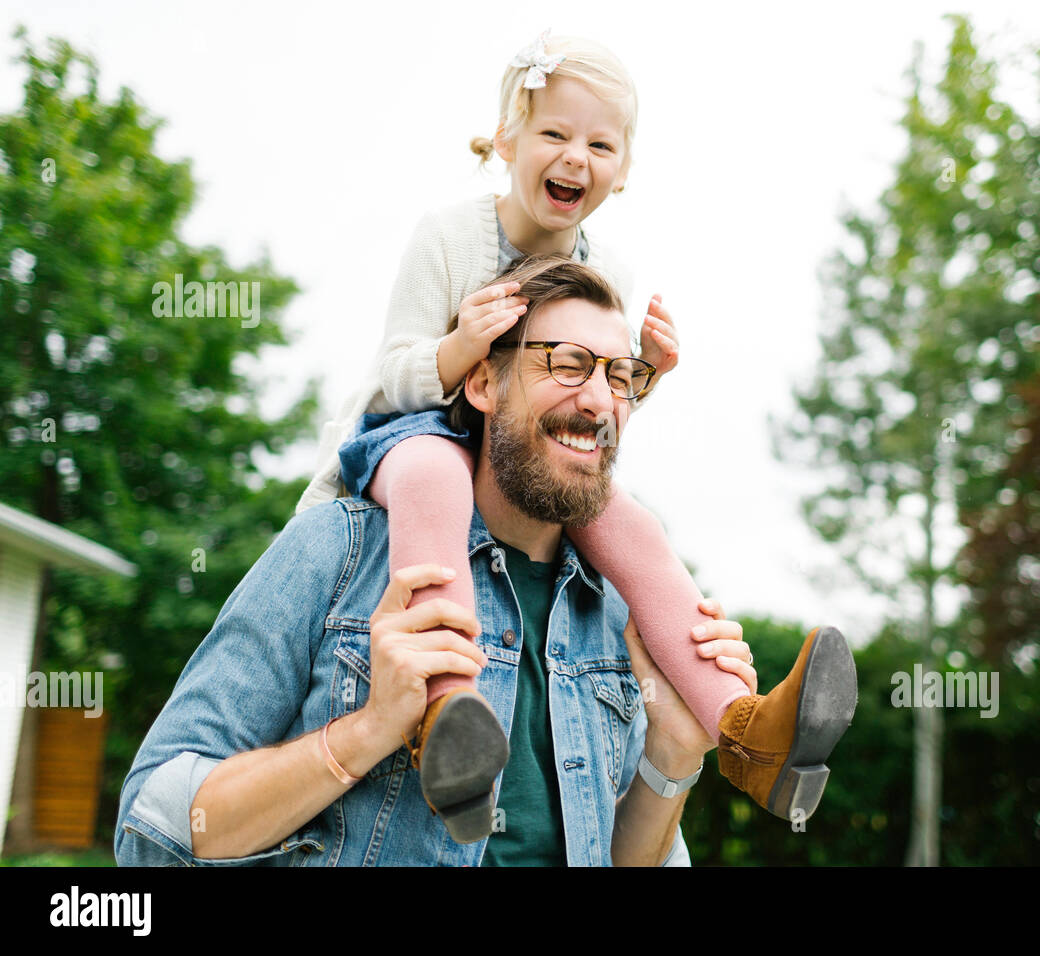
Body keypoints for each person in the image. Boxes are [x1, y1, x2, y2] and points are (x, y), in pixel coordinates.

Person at [294, 30, 858, 842]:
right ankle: (449, 710)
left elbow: (578, 416)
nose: (575, 156)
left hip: (518, 460)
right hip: (413, 433)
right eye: (555, 134)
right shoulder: (450, 237)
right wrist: (460, 349)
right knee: (437, 475)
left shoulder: (607, 271)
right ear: (506, 139)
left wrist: (644, 375)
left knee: (630, 521)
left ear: (623, 170)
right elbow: (391, 373)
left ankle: (747, 733)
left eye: (600, 143)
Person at [114, 257, 852, 867]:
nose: (599, 400)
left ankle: (747, 740)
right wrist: (366, 732)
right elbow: (154, 825)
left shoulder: (624, 611)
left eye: (620, 377)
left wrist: (673, 751)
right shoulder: (336, 553)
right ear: (482, 382)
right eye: (567, 364)